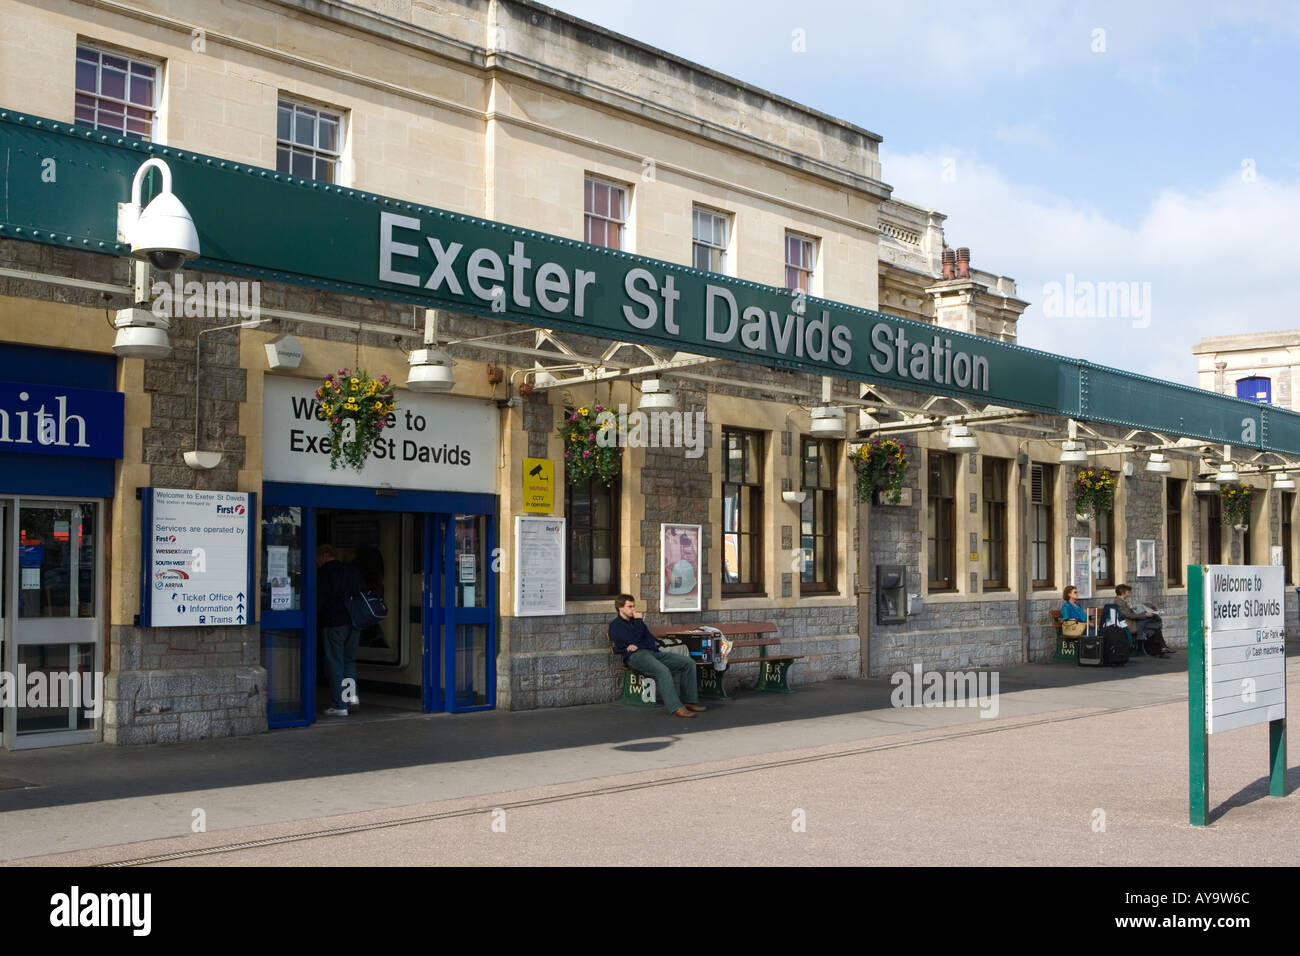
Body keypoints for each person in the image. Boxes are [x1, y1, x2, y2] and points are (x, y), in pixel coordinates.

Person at [609, 593, 704, 718]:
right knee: (663, 671)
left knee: (688, 662)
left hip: (652, 652)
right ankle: (676, 707)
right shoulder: (616, 625)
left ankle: (689, 701)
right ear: (620, 608)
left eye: (634, 606)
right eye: (630, 607)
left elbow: (649, 640)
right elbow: (633, 638)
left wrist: (637, 643)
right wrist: (637, 626)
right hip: (635, 657)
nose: (633, 609)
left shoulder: (637, 622)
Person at [317, 543, 366, 715]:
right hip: (354, 622)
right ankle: (352, 699)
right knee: (349, 662)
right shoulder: (351, 570)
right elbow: (363, 591)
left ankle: (339, 705)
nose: (317, 562)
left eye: (317, 558)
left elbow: (319, 599)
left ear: (323, 555)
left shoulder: (324, 573)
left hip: (334, 622)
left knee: (335, 663)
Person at [1114, 583, 1171, 657]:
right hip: (1129, 624)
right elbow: (1130, 615)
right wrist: (1145, 615)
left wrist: (1134, 609)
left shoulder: (1120, 601)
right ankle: (1159, 649)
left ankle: (1159, 649)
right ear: (1123, 592)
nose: (1130, 593)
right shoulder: (1119, 602)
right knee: (1154, 621)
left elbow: (1128, 613)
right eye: (1128, 592)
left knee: (1154, 627)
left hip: (1131, 621)